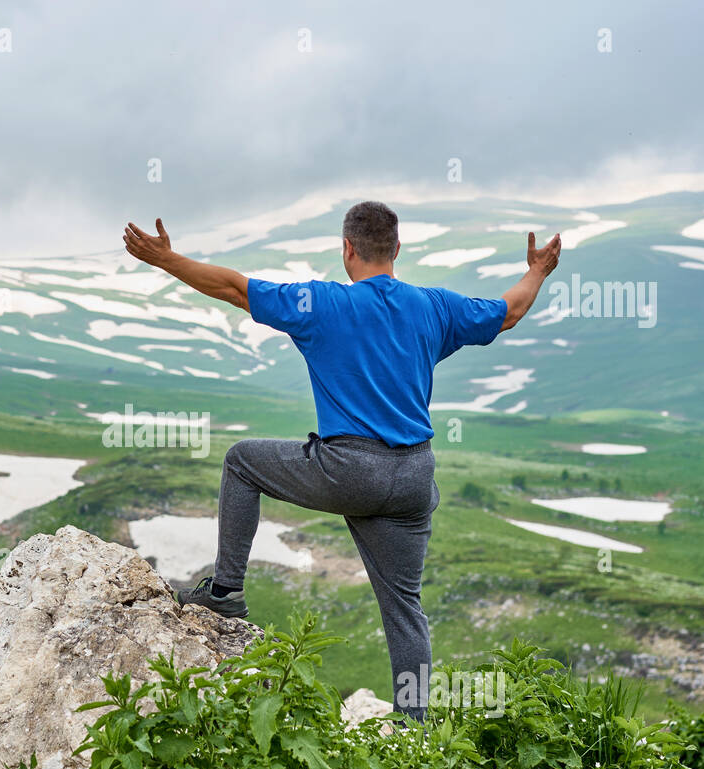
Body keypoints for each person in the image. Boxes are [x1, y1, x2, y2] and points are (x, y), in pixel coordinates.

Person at [122, 201, 561, 721]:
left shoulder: (322, 304)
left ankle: (226, 591)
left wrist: (166, 260)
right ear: (396, 249)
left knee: (242, 462)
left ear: (347, 249)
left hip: (349, 470)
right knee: (405, 611)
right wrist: (537, 270)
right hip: (415, 478)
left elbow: (234, 288)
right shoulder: (434, 308)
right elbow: (508, 311)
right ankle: (414, 732)